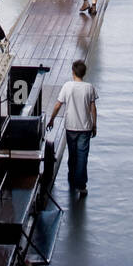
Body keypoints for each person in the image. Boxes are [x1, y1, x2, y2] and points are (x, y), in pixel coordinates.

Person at [47, 60, 98, 194]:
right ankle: (81, 185)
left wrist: (51, 119)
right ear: (84, 73)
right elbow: (93, 108)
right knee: (82, 156)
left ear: (73, 72)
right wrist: (94, 125)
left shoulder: (67, 86)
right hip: (85, 128)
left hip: (70, 127)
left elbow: (58, 105)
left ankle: (71, 177)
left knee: (72, 154)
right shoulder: (89, 88)